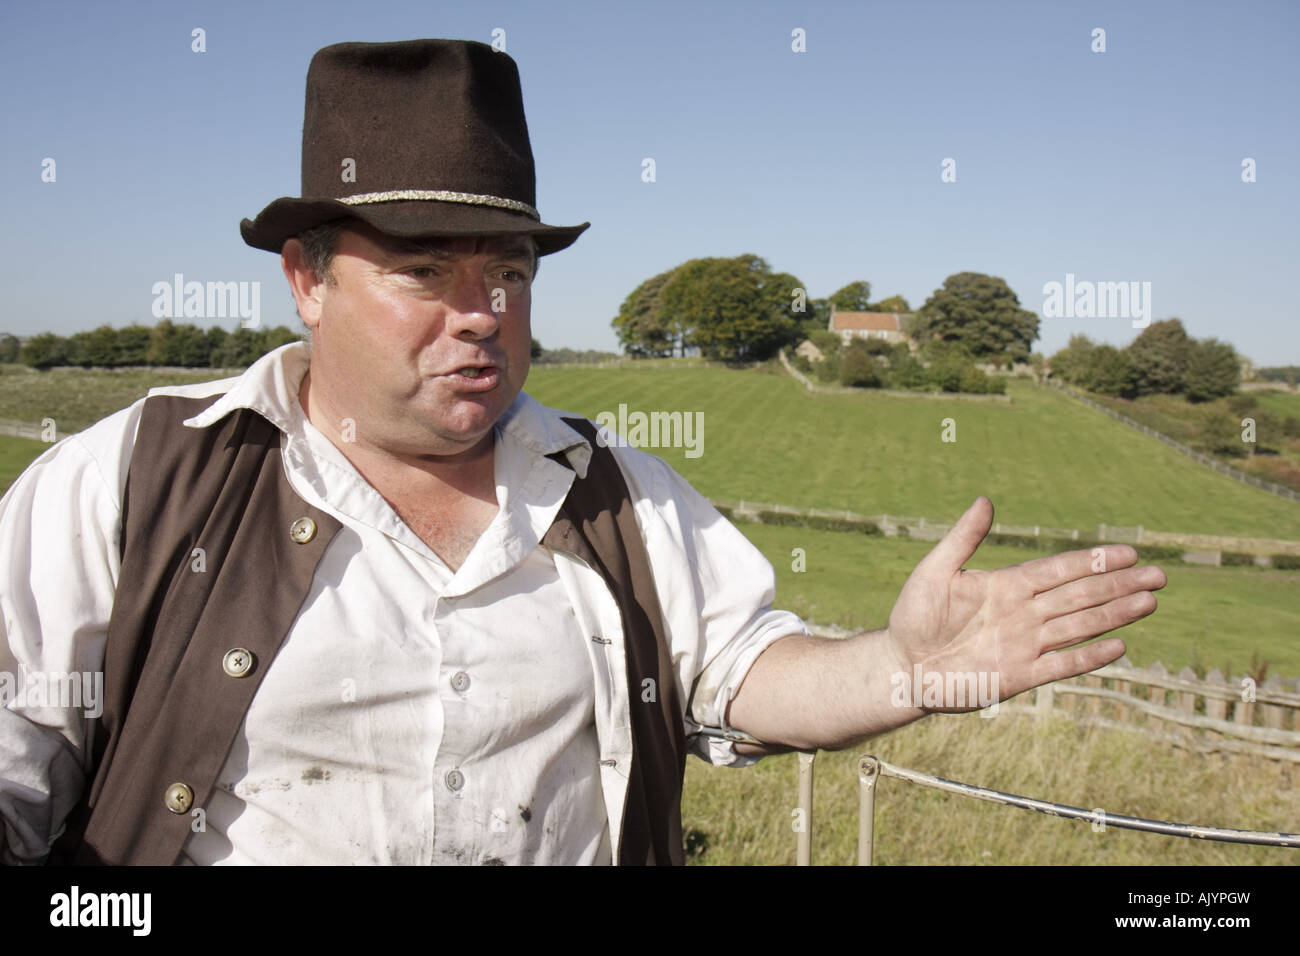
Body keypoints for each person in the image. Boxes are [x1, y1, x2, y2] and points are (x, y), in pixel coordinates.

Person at [0, 39, 1165, 866]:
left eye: (508, 271)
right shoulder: (134, 482)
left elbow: (739, 668)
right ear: (306, 277)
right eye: (423, 271)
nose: (483, 313)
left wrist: (904, 668)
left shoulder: (611, 492)